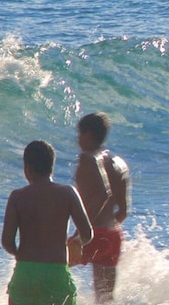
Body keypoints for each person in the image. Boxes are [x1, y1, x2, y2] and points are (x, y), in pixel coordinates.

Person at [3, 140, 95, 305]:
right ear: (51, 166)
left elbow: (7, 242)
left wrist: (19, 254)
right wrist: (76, 242)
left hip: (26, 273)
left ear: (27, 168)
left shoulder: (17, 197)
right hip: (56, 272)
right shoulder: (68, 193)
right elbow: (87, 233)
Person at [70, 113, 131, 303]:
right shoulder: (119, 163)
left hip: (92, 235)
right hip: (113, 237)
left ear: (88, 135)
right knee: (105, 299)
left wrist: (82, 233)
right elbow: (123, 212)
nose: (78, 138)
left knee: (50, 268)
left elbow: (102, 194)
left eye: (80, 134)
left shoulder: (88, 159)